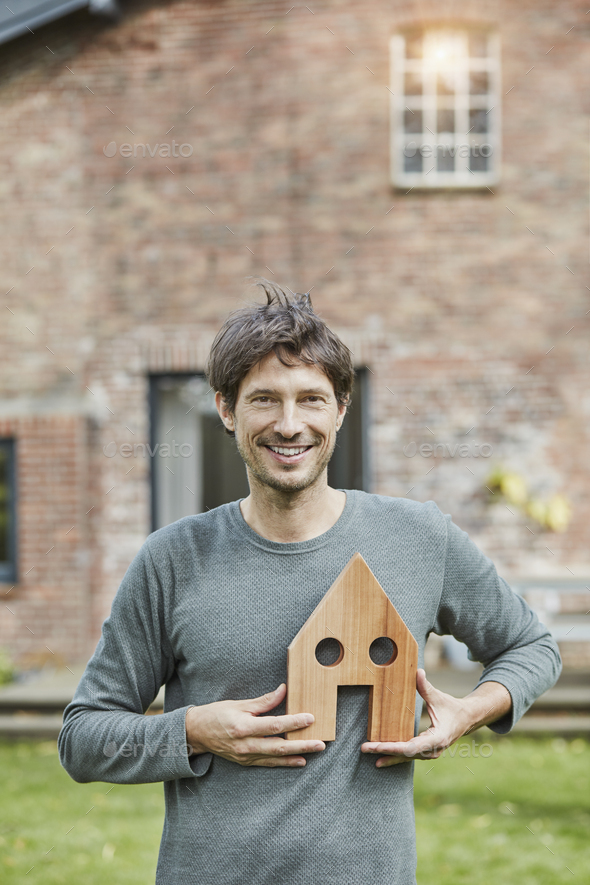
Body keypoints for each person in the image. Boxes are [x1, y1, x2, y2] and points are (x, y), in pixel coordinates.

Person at [58, 280, 561, 885]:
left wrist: (469, 712)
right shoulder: (172, 559)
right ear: (226, 409)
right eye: (264, 399)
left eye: (312, 400)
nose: (289, 424)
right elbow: (83, 736)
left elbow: (532, 646)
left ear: (341, 409)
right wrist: (192, 730)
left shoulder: (418, 537)